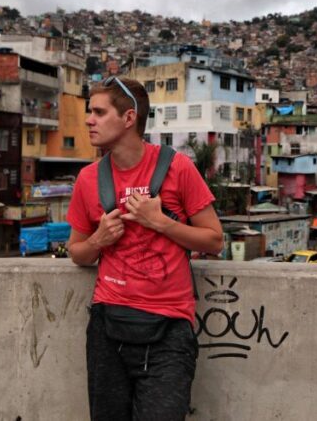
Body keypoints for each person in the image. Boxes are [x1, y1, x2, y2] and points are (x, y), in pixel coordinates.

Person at [66, 76, 223, 421]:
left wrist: (161, 223)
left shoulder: (177, 167)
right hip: (108, 327)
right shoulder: (89, 179)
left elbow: (214, 239)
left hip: (169, 330)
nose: (89, 120)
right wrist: (98, 240)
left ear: (128, 118)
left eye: (99, 112)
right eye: (89, 112)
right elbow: (76, 251)